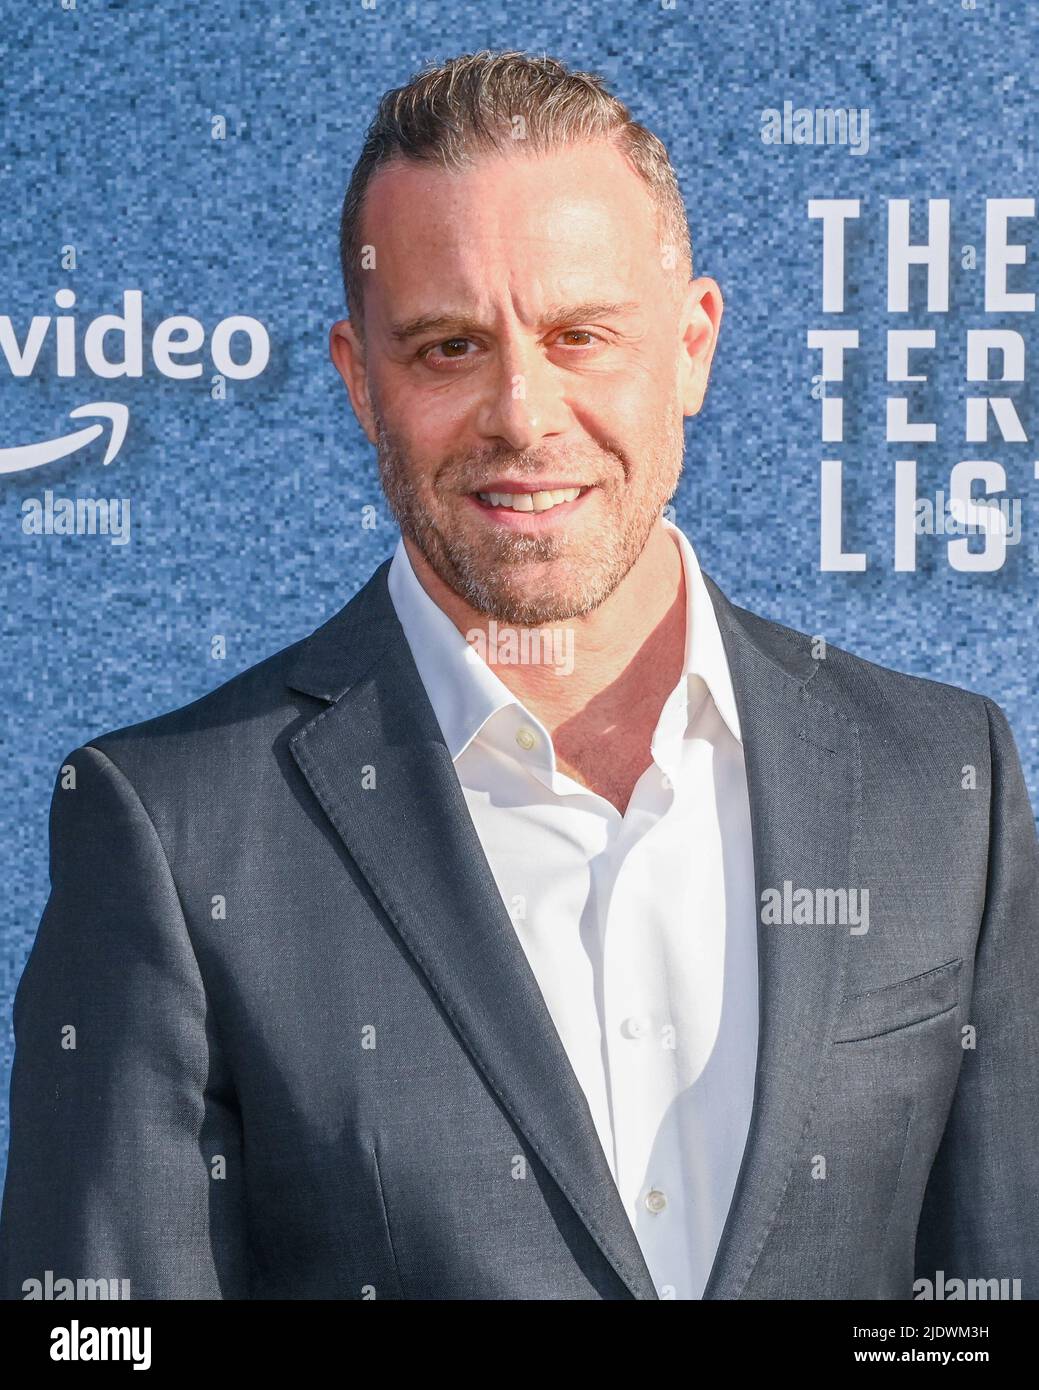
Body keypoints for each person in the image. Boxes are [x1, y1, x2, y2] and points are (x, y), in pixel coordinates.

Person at [2, 50, 1037, 1302]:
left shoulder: (942, 782)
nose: (522, 412)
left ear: (694, 344)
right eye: (447, 348)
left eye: (580, 335)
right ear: (357, 379)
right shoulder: (173, 828)